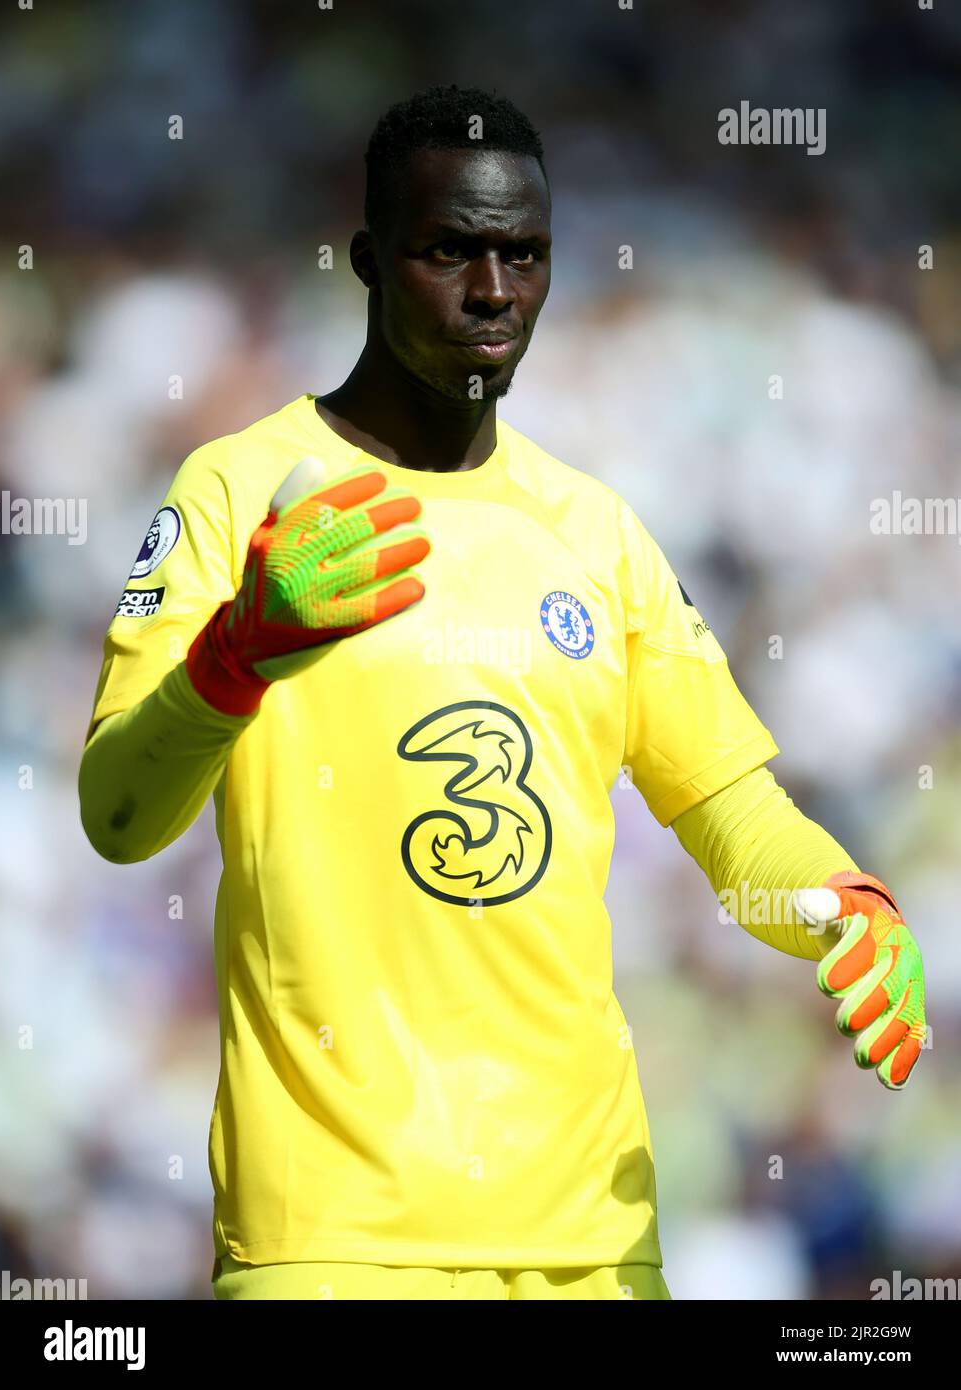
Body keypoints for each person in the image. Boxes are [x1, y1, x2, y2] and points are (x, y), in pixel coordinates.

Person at [79, 84, 926, 1302]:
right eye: (450, 252)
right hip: (335, 1241)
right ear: (371, 257)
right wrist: (235, 652)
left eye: (523, 257)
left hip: (593, 1237)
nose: (493, 294)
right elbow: (115, 816)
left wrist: (843, 904)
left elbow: (730, 816)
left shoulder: (594, 528)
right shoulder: (242, 489)